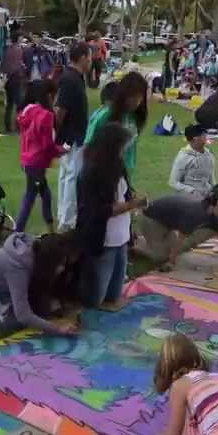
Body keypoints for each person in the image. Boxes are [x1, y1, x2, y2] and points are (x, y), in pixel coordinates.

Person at [0, 232, 82, 335]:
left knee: (29, 310)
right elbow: (23, 315)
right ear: (48, 262)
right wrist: (57, 328)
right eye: (59, 264)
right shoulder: (18, 269)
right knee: (11, 321)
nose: (62, 268)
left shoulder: (34, 255)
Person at [76, 122, 147, 309]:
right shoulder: (92, 173)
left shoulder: (118, 166)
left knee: (114, 294)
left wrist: (132, 197)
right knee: (95, 298)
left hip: (121, 237)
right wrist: (133, 204)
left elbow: (123, 193)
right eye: (123, 147)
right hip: (103, 239)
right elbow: (100, 210)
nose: (125, 151)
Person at [136, 183, 218, 272]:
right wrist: (171, 262)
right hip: (151, 220)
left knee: (172, 252)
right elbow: (181, 238)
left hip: (167, 223)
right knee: (160, 257)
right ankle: (133, 244)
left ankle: (149, 241)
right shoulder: (197, 214)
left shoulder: (211, 213)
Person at [12, 79, 68, 234]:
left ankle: (50, 228)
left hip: (28, 161)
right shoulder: (46, 116)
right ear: (49, 95)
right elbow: (47, 146)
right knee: (30, 196)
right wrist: (61, 150)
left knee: (45, 193)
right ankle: (18, 231)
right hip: (37, 163)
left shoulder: (26, 112)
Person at [54, 43, 91, 232]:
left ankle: (63, 216)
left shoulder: (76, 78)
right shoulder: (70, 79)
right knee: (71, 178)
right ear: (83, 58)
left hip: (74, 135)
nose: (91, 61)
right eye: (90, 57)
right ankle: (67, 221)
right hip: (71, 137)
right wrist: (58, 133)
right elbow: (60, 110)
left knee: (67, 176)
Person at [84, 71, 148, 175]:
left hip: (124, 174)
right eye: (132, 97)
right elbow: (88, 144)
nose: (135, 102)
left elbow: (130, 149)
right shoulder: (105, 114)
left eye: (139, 98)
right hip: (102, 174)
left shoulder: (134, 117)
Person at [168, 124, 216, 199]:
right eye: (202, 134)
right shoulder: (183, 157)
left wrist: (215, 190)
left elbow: (211, 176)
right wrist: (192, 191)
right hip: (188, 198)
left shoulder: (209, 155)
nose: (205, 136)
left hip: (206, 195)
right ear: (195, 138)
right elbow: (173, 182)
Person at [0, 33, 27, 134]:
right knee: (19, 104)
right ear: (18, 38)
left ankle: (7, 126)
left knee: (10, 104)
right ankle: (18, 125)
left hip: (8, 80)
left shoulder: (7, 50)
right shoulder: (18, 50)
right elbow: (16, 66)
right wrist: (22, 69)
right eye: (21, 37)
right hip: (15, 79)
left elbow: (3, 64)